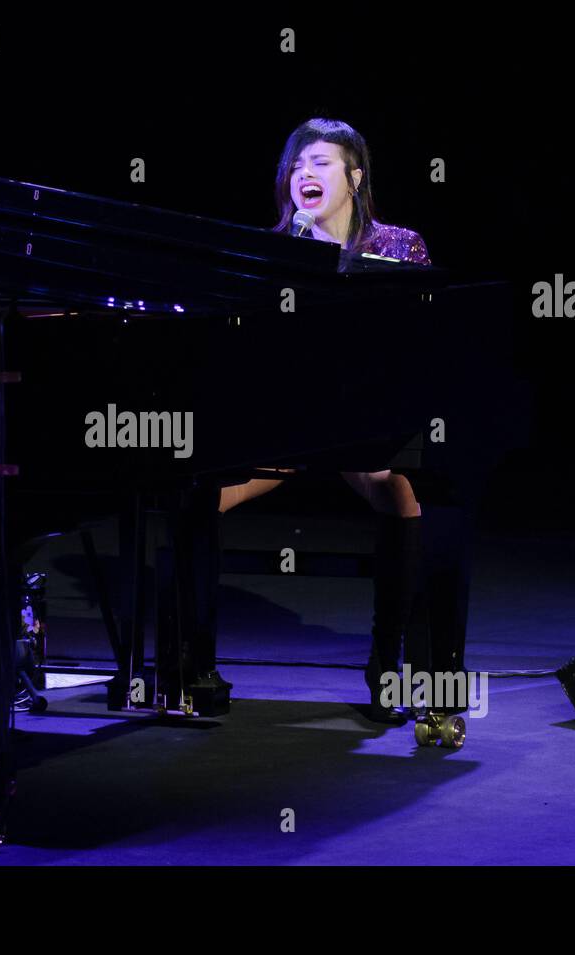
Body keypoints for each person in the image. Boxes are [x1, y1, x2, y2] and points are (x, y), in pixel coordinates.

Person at [218, 117, 431, 723]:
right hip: (289, 423)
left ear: (354, 176)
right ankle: (190, 663)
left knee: (401, 492)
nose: (304, 174)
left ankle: (385, 666)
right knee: (197, 496)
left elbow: (417, 341)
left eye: (320, 163)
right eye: (297, 165)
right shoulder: (273, 250)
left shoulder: (398, 245)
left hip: (364, 423)